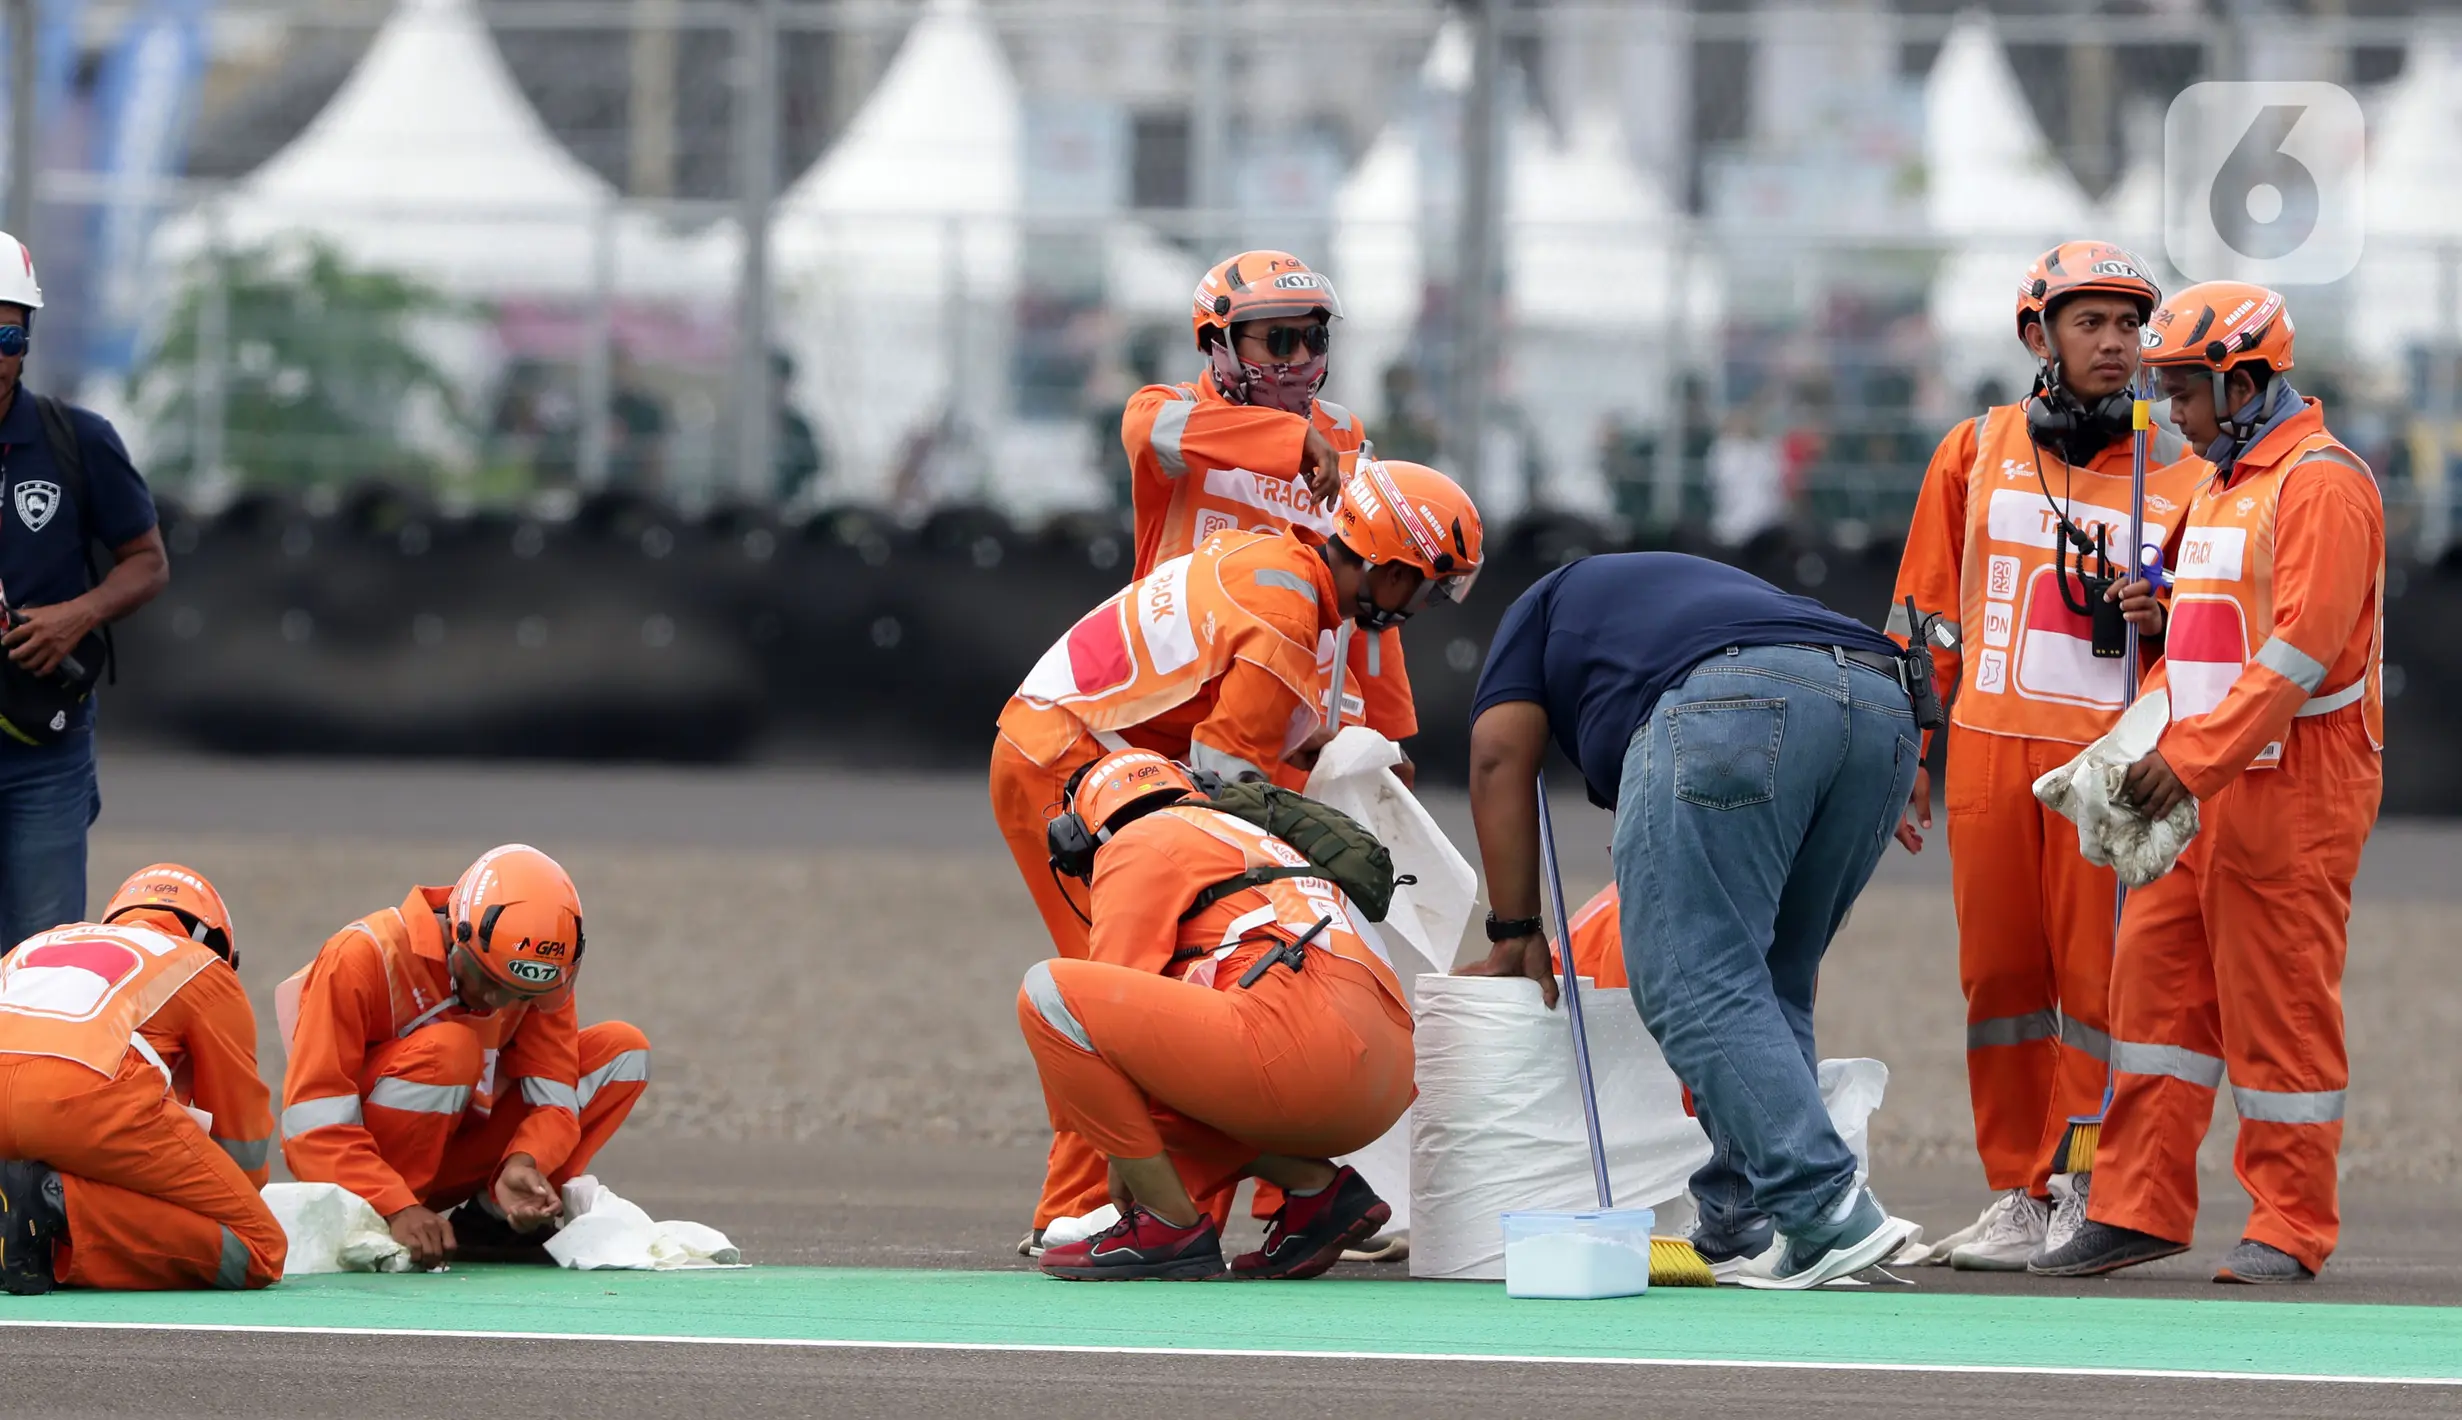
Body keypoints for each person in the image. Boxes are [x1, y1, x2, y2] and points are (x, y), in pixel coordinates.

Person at [992, 457, 1481, 1249]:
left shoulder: (1282, 573)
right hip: (1074, 772)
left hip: (1088, 752)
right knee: (1113, 998)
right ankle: (1087, 1207)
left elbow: (1222, 759)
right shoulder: (1288, 621)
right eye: (1425, 585)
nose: (1423, 606)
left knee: (1155, 998)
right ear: (1386, 569)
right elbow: (1228, 785)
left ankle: (1244, 1191)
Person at [2032, 283, 2383, 1285]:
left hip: (2288, 788)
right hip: (2198, 780)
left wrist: (2187, 758)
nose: (2168, 412)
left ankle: (2287, 1222)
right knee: (2154, 1002)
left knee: (2278, 1006)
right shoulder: (2220, 483)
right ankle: (2136, 1204)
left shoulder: (2319, 483)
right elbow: (2211, 637)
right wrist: (2154, 625)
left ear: (2241, 382)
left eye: (2183, 391)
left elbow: (2300, 651)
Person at [1459, 552, 1924, 1290]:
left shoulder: (1536, 612)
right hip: (1883, 708)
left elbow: (1495, 757)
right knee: (1772, 979)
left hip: (1732, 703)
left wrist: (1514, 928)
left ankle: (1825, 1203)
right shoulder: (1689, 593)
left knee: (1690, 973)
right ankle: (1744, 1218)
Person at [1888, 241, 2202, 1270]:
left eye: (2128, 325)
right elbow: (1922, 617)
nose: (2113, 344)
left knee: (2098, 991)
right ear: (2038, 336)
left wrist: (2159, 621)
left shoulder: (2186, 472)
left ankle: (2084, 1184)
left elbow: (2213, 633)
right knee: (1998, 984)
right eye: (2089, 324)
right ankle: (2017, 1191)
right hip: (1982, 755)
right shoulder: (1971, 449)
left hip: (2102, 771)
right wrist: (1907, 756)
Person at [1018, 749, 1413, 1281]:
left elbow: (1099, 1026)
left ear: (1084, 837)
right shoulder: (1246, 837)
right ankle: (1317, 1192)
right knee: (1171, 1066)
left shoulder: (1140, 840)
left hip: (1305, 1050)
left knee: (1049, 994)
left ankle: (1167, 1226)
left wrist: (1126, 1192)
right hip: (1385, 1077)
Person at [276, 845, 651, 1269]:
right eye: (486, 979)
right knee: (450, 1050)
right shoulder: (363, 957)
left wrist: (523, 1162)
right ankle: (382, 1225)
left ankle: (493, 1221)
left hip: (457, 1151)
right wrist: (395, 1205)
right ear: (460, 931)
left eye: (522, 994)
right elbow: (311, 1127)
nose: (499, 1000)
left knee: (623, 1052)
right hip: (367, 1173)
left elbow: (556, 1102)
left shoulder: (535, 975)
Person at [1120, 251, 1420, 781]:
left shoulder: (1345, 434)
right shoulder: (1169, 410)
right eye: (1280, 339)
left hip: (1299, 721)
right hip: (1175, 711)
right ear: (1221, 342)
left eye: (1315, 339)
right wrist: (1290, 438)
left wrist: (1388, 733)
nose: (1301, 356)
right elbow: (1146, 428)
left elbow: (1367, 578)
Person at [0, 231, 170, 950]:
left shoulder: (79, 439)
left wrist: (78, 614)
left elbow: (148, 561)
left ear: (29, 338)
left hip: (45, 749)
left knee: (43, 964)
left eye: (7, 333)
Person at [0, 865, 283, 1293]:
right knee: (259, 1248)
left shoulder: (35, 944)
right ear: (219, 943)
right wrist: (221, 1201)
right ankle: (54, 1204)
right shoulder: (203, 966)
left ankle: (28, 1215)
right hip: (86, 1098)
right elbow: (240, 1141)